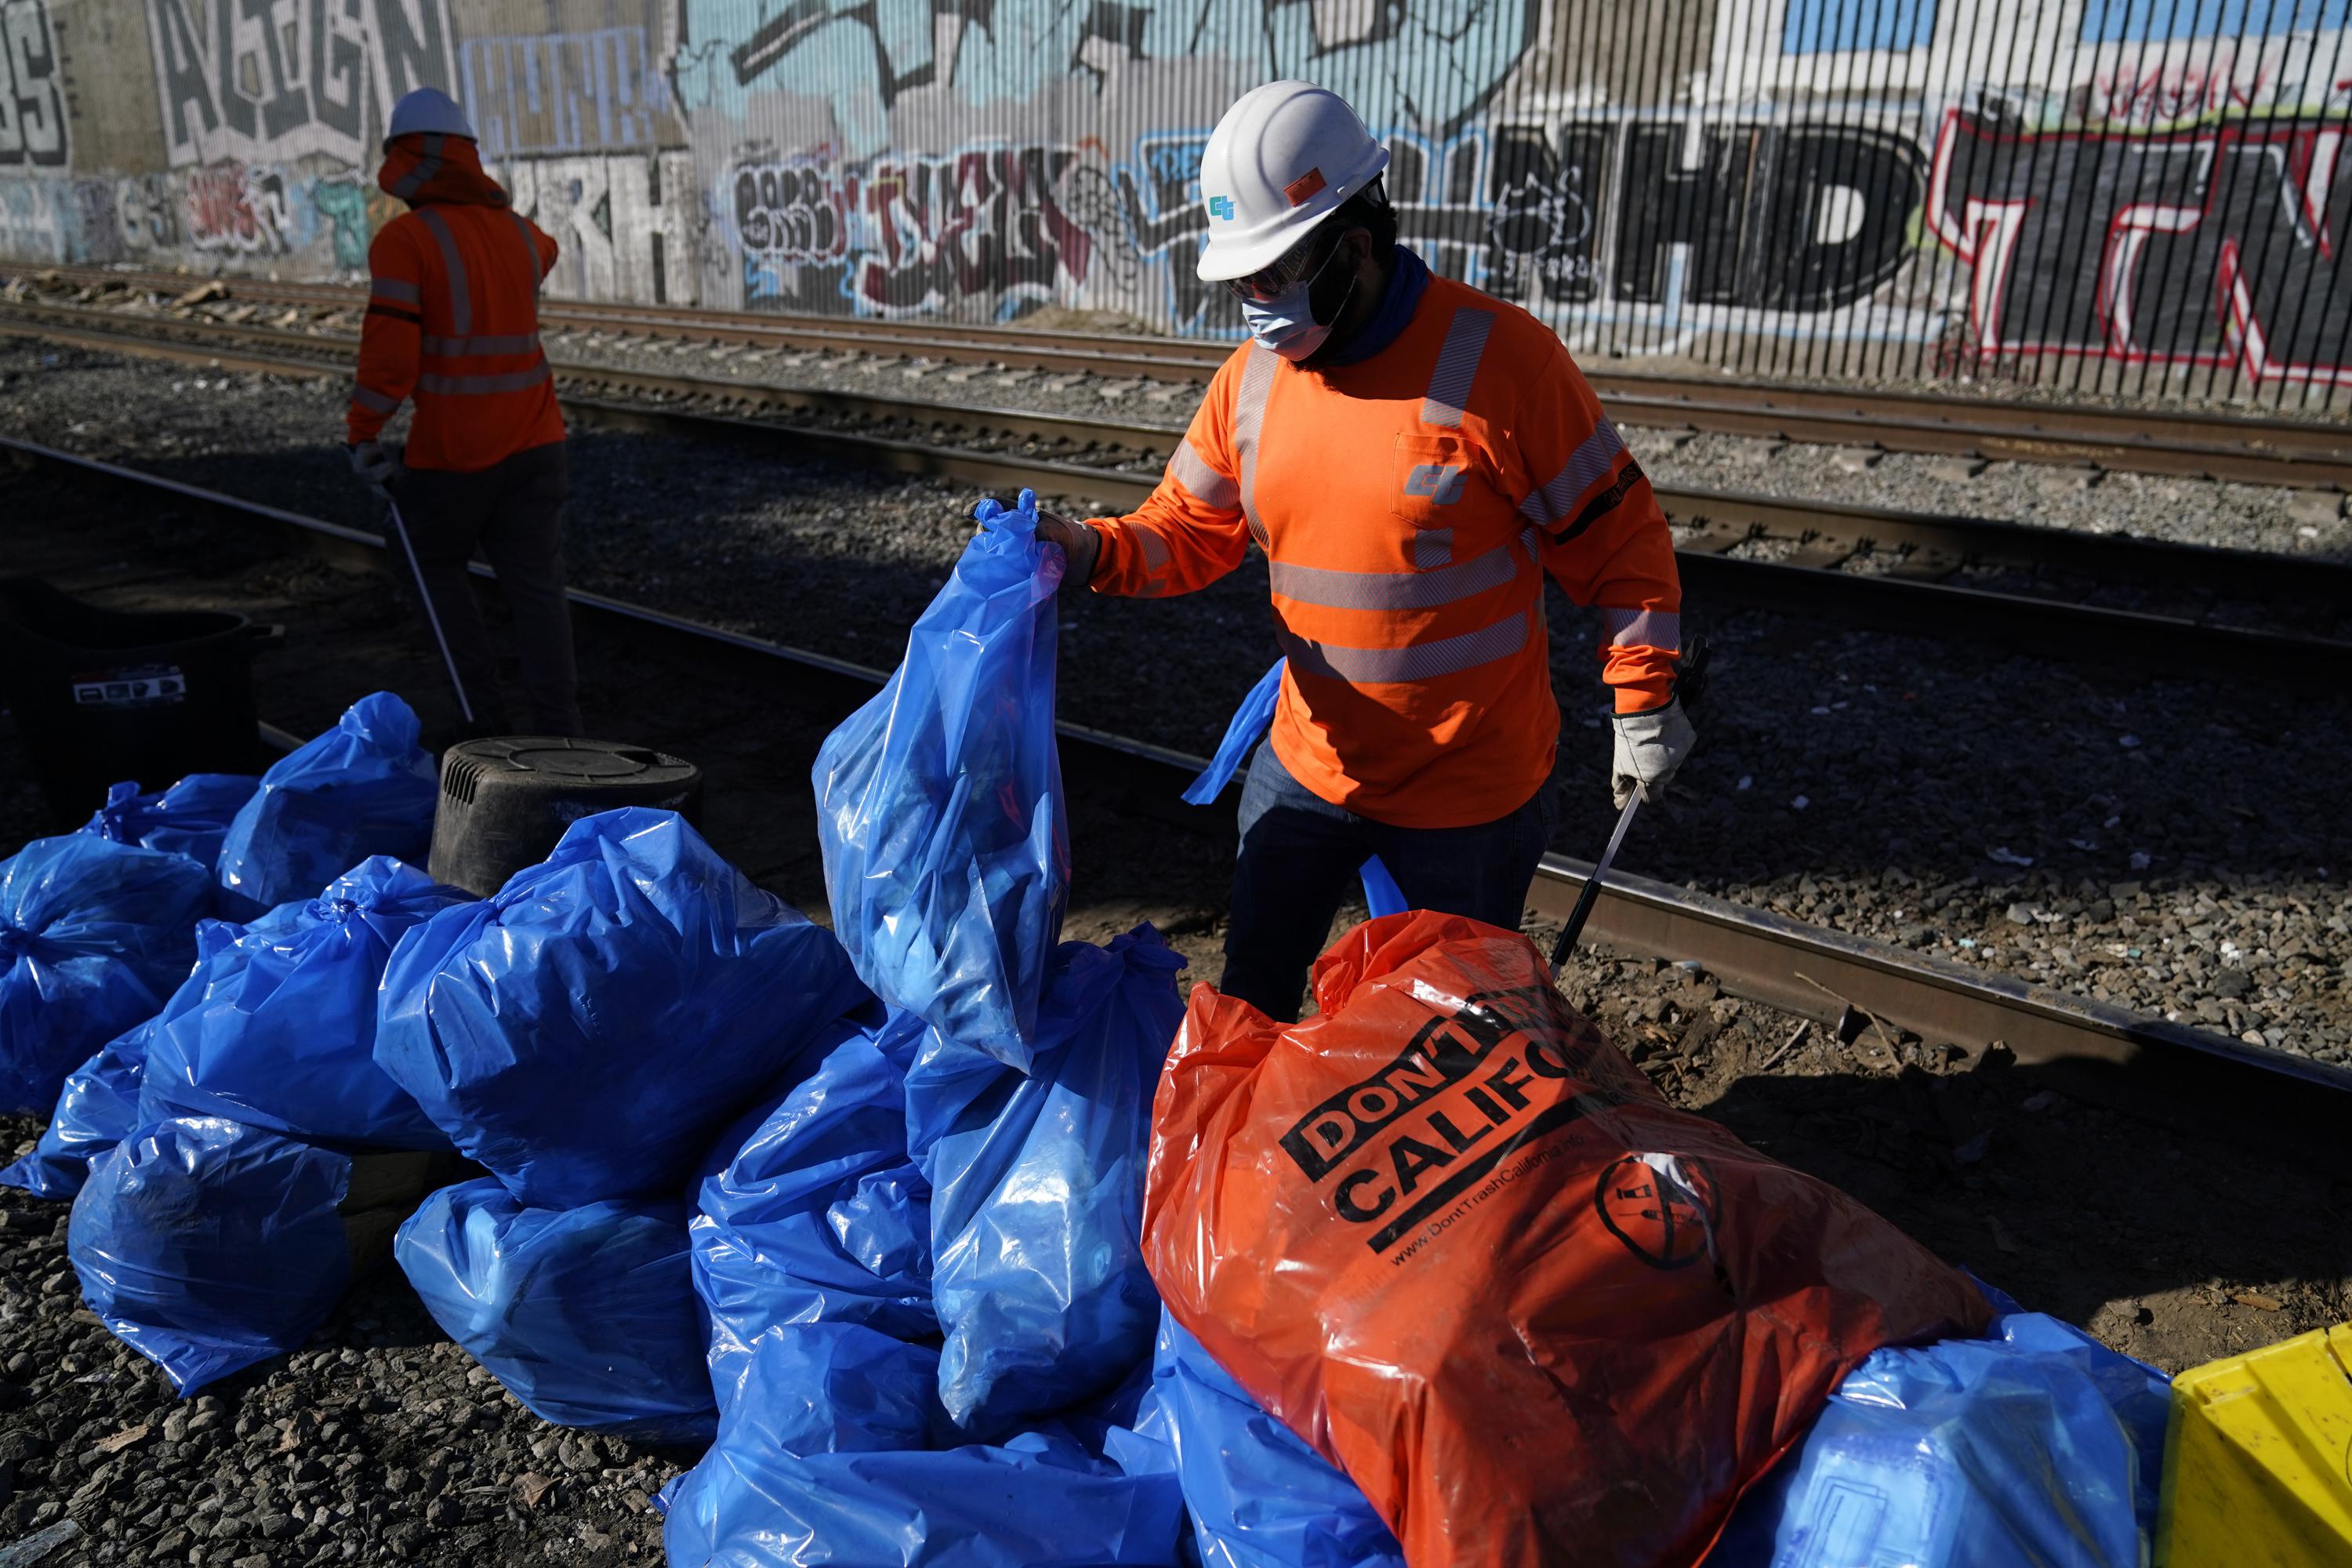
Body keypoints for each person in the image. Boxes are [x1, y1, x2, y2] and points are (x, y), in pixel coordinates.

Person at [1035, 81, 1693, 1021]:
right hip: (1308, 763)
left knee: (1445, 1038)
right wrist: (1082, 549)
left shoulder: (1504, 362)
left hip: (1468, 793)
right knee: (1254, 997)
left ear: (1353, 248)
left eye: (1271, 279)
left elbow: (1618, 536)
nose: (1253, 308)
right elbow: (1186, 528)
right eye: (1239, 285)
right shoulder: (1250, 384)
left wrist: (1642, 698)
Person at [344, 87, 583, 739]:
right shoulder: (519, 236)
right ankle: (560, 730)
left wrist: (362, 433)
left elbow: (389, 361)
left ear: (402, 159)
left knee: (427, 562)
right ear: (470, 158)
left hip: (455, 454)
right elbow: (549, 248)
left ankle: (484, 727)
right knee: (536, 590)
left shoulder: (405, 241)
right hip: (539, 444)